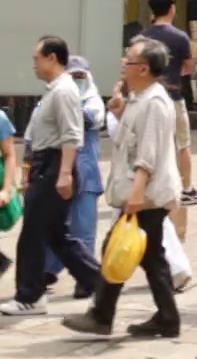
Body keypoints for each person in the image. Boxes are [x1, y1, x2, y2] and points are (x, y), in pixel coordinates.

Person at [61, 37, 182, 339]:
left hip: (149, 194)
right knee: (151, 257)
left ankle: (102, 315)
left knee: (117, 248)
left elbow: (148, 153)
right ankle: (167, 318)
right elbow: (130, 141)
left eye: (128, 61)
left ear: (142, 69)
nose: (123, 65)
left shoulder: (154, 101)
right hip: (146, 193)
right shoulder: (141, 99)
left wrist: (137, 193)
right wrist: (118, 111)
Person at [0, 36, 100, 316]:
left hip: (55, 166)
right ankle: (102, 283)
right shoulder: (53, 90)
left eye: (37, 59)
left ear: (52, 58)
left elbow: (72, 134)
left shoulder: (64, 91)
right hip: (48, 166)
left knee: (32, 235)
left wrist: (65, 173)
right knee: (57, 236)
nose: (34, 64)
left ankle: (30, 296)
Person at [45, 55, 106, 299]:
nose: (77, 80)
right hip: (57, 170)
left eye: (81, 76)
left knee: (84, 228)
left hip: (86, 173)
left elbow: (91, 118)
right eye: (73, 76)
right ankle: (47, 271)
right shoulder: (51, 97)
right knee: (53, 224)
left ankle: (86, 278)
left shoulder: (93, 101)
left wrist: (68, 108)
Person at [142, 0, 197, 215]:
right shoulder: (180, 37)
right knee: (182, 143)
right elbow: (188, 66)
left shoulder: (143, 37)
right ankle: (186, 188)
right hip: (174, 96)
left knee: (150, 143)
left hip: (148, 98)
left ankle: (149, 187)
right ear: (172, 9)